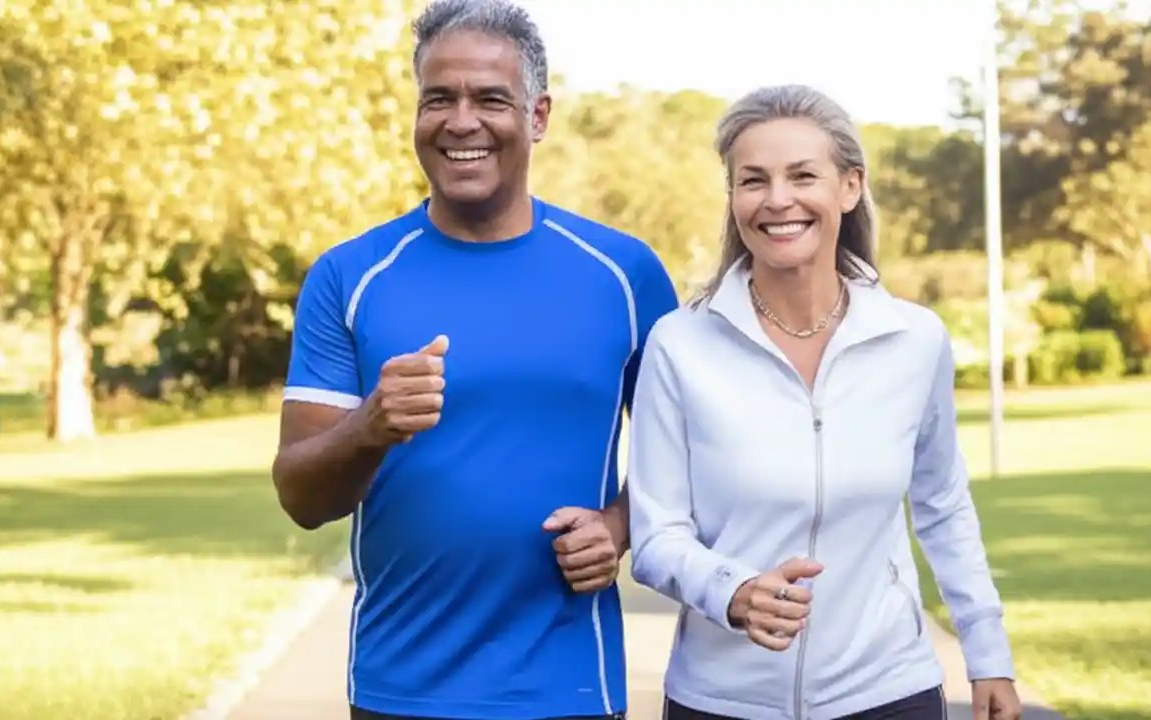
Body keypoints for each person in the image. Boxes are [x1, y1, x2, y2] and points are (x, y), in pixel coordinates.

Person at [271, 1, 678, 718]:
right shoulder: (350, 275)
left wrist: (618, 525)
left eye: (491, 98)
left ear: (539, 115)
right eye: (438, 99)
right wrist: (371, 424)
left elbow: (693, 459)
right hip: (401, 686)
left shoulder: (624, 274)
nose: (462, 122)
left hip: (572, 687)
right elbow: (303, 500)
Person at [626, 84, 1023, 720]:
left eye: (803, 176)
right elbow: (655, 535)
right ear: (733, 199)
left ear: (849, 187)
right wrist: (734, 592)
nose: (777, 199)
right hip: (722, 702)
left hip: (890, 692)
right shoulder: (680, 345)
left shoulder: (914, 340)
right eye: (752, 181)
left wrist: (989, 654)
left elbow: (943, 506)